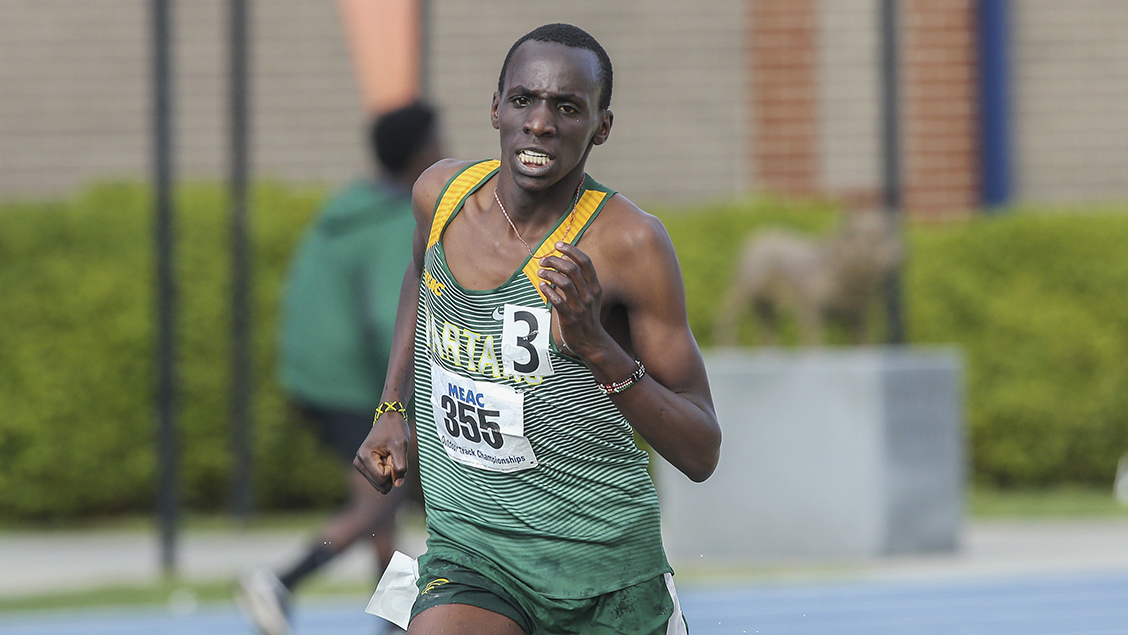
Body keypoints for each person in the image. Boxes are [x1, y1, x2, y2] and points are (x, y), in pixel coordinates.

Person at [354, 23, 721, 635]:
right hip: (473, 555)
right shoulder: (439, 197)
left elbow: (701, 451)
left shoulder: (629, 244)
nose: (541, 124)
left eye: (567, 107)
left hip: (605, 576)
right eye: (524, 100)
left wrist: (597, 348)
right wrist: (393, 406)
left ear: (601, 127)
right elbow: (419, 277)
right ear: (496, 108)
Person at [237, 101, 443, 635]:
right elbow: (387, 317)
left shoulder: (352, 206)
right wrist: (406, 401)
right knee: (386, 495)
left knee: (383, 497)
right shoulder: (396, 217)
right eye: (438, 140)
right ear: (420, 155)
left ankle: (392, 623)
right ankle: (281, 581)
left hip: (315, 377)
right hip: (350, 384)